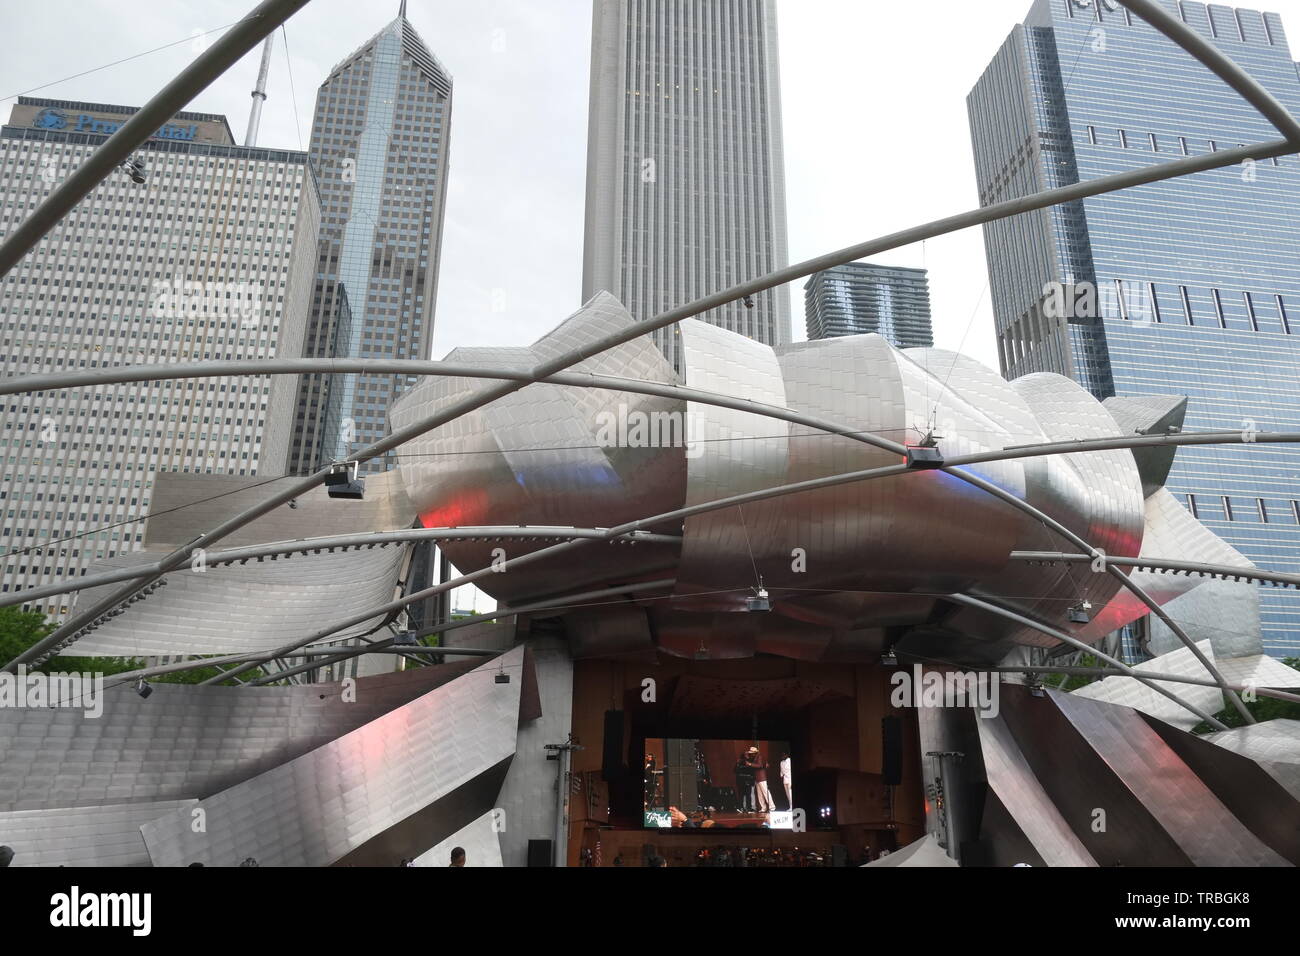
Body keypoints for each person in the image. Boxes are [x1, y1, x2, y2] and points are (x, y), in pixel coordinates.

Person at [749, 747, 775, 813]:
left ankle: (772, 807)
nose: (751, 754)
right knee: (759, 794)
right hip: (757, 778)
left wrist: (750, 764)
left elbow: (759, 765)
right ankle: (763, 808)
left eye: (752, 753)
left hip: (762, 778)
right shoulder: (755, 758)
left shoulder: (759, 756)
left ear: (755, 753)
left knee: (766, 792)